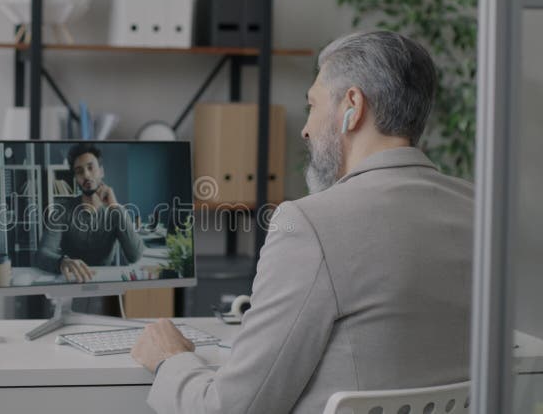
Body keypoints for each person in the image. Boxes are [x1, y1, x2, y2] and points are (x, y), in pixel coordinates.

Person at [131, 31, 474, 413]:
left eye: (312, 105)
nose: (305, 129)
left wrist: (170, 360)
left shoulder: (309, 224)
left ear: (353, 106)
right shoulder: (479, 211)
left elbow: (230, 409)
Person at [34, 143, 144, 282]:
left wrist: (116, 207)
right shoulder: (62, 211)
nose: (86, 175)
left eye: (91, 168)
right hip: (73, 280)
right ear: (76, 178)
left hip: (104, 281)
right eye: (79, 171)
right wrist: (62, 262)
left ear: (101, 171)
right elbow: (41, 254)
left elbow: (135, 255)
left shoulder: (114, 211)